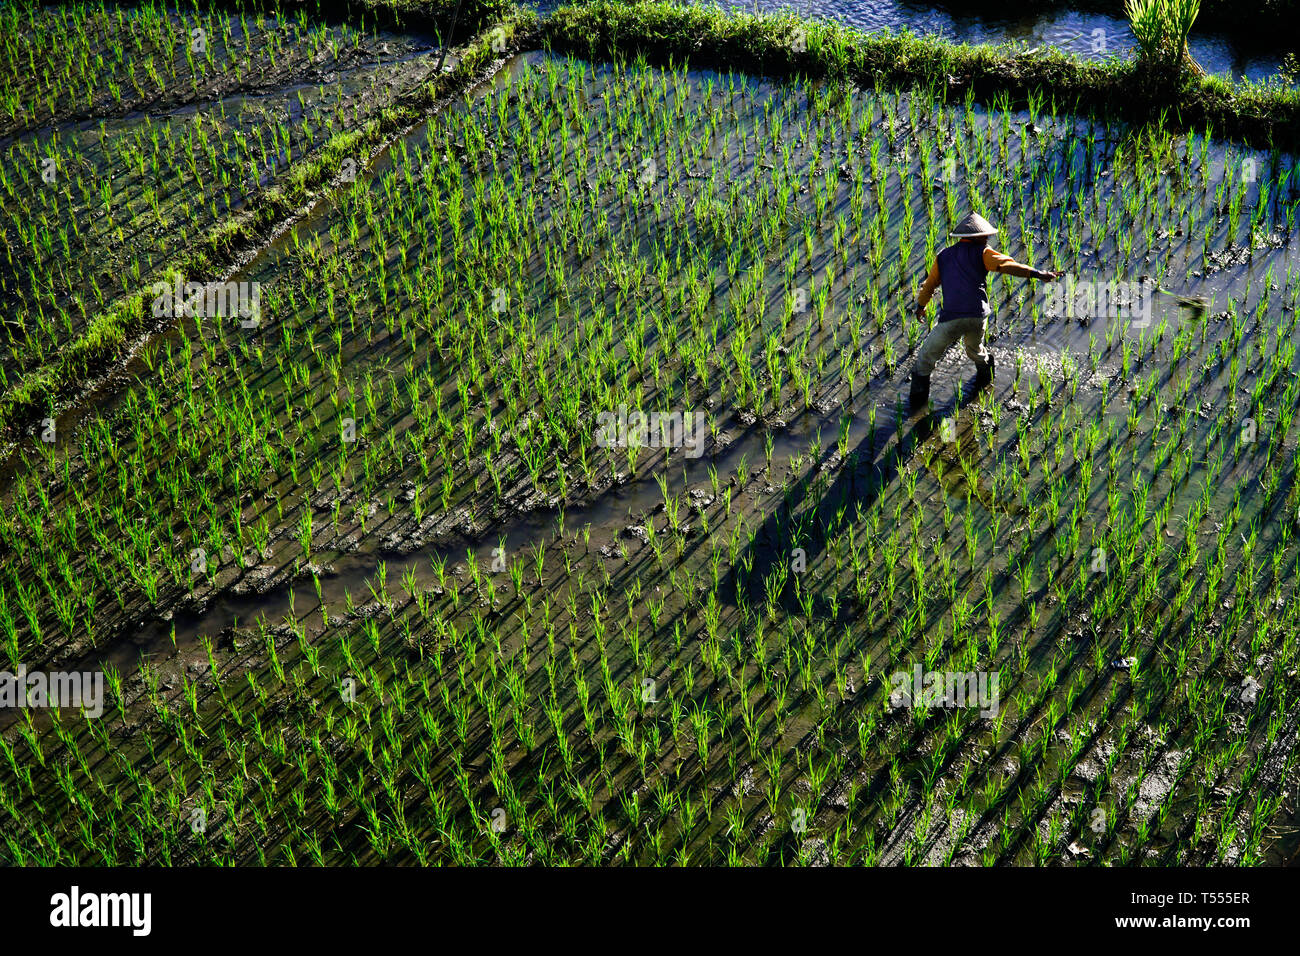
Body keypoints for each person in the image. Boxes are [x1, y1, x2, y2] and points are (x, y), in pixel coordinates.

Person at [910, 212, 1062, 408]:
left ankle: (915, 410)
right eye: (986, 236)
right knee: (975, 350)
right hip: (977, 316)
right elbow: (1009, 266)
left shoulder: (944, 256)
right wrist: (1039, 274)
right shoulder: (983, 252)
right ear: (979, 236)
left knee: (925, 360)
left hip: (952, 318)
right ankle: (986, 380)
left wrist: (921, 307)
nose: (988, 238)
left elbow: (929, 286)